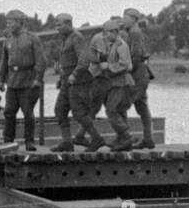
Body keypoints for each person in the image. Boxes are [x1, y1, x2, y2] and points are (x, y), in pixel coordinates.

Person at [51, 14, 104, 152]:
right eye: (56, 25)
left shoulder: (76, 37)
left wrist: (74, 74)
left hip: (78, 81)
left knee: (79, 112)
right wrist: (61, 77)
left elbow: (84, 59)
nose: (57, 28)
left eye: (59, 25)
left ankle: (97, 139)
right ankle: (67, 141)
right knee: (60, 109)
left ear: (68, 24)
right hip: (66, 79)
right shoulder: (65, 38)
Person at [0, 9, 45, 150]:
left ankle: (29, 141)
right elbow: (4, 62)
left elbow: (41, 60)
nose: (8, 25)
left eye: (11, 22)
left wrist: (38, 79)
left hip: (28, 81)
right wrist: (1, 80)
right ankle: (8, 140)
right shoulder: (7, 40)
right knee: (9, 112)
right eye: (7, 22)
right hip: (12, 82)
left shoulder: (32, 38)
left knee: (28, 112)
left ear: (20, 22)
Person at [93, 19, 135, 151]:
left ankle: (126, 137)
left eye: (106, 33)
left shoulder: (121, 45)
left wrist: (108, 66)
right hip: (115, 83)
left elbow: (125, 65)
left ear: (114, 32)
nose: (104, 36)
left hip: (121, 83)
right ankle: (122, 139)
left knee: (111, 110)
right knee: (119, 111)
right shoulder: (112, 45)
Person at [120, 8, 157, 149]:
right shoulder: (133, 32)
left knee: (121, 104)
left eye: (126, 18)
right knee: (142, 107)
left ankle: (124, 138)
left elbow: (135, 55)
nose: (123, 20)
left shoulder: (135, 32)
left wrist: (126, 70)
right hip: (140, 74)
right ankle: (148, 139)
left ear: (133, 19)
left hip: (137, 74)